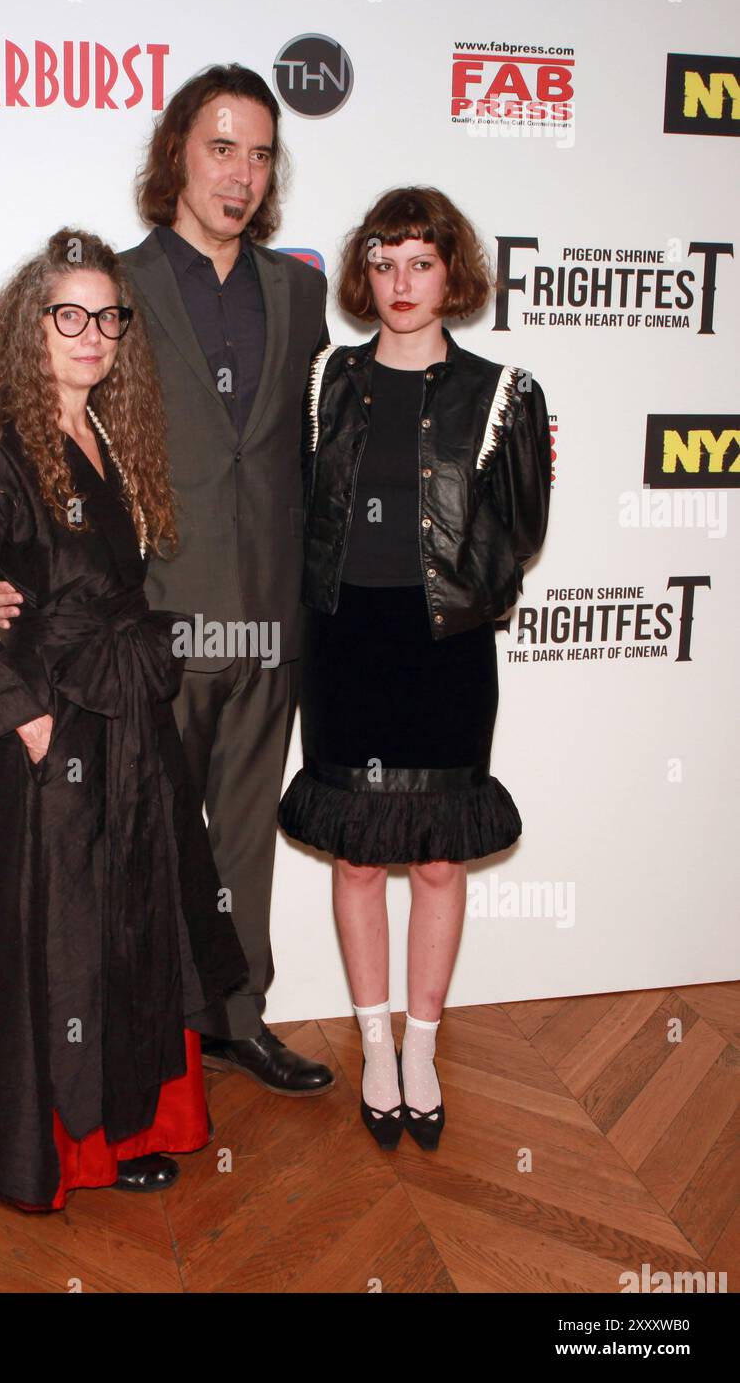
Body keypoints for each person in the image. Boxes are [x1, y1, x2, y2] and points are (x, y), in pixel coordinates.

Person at [0, 65, 335, 1096]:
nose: (241, 173)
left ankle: (237, 1017)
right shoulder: (119, 285)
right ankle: (137, 1044)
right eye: (220, 147)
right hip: (153, 620)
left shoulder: (300, 289)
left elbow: (310, 453)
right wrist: (10, 574)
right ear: (177, 154)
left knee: (241, 836)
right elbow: (42, 418)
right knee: (135, 842)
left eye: (261, 153)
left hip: (268, 618)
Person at [0, 228, 248, 1211]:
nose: (93, 334)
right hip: (47, 744)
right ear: (32, 325)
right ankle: (55, 1145)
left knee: (125, 929)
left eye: (108, 317)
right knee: (58, 939)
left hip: (124, 733)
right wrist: (25, 723)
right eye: (71, 315)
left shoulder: (109, 436)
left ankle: (122, 1122)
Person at [278, 186, 552, 1150]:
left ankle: (423, 1042)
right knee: (358, 853)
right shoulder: (323, 380)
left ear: (451, 273)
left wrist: (457, 588)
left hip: (444, 648)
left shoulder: (503, 391)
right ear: (365, 274)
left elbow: (520, 531)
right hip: (344, 640)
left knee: (435, 856)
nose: (401, 281)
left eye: (420, 261)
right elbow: (301, 506)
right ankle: (374, 1046)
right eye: (384, 261)